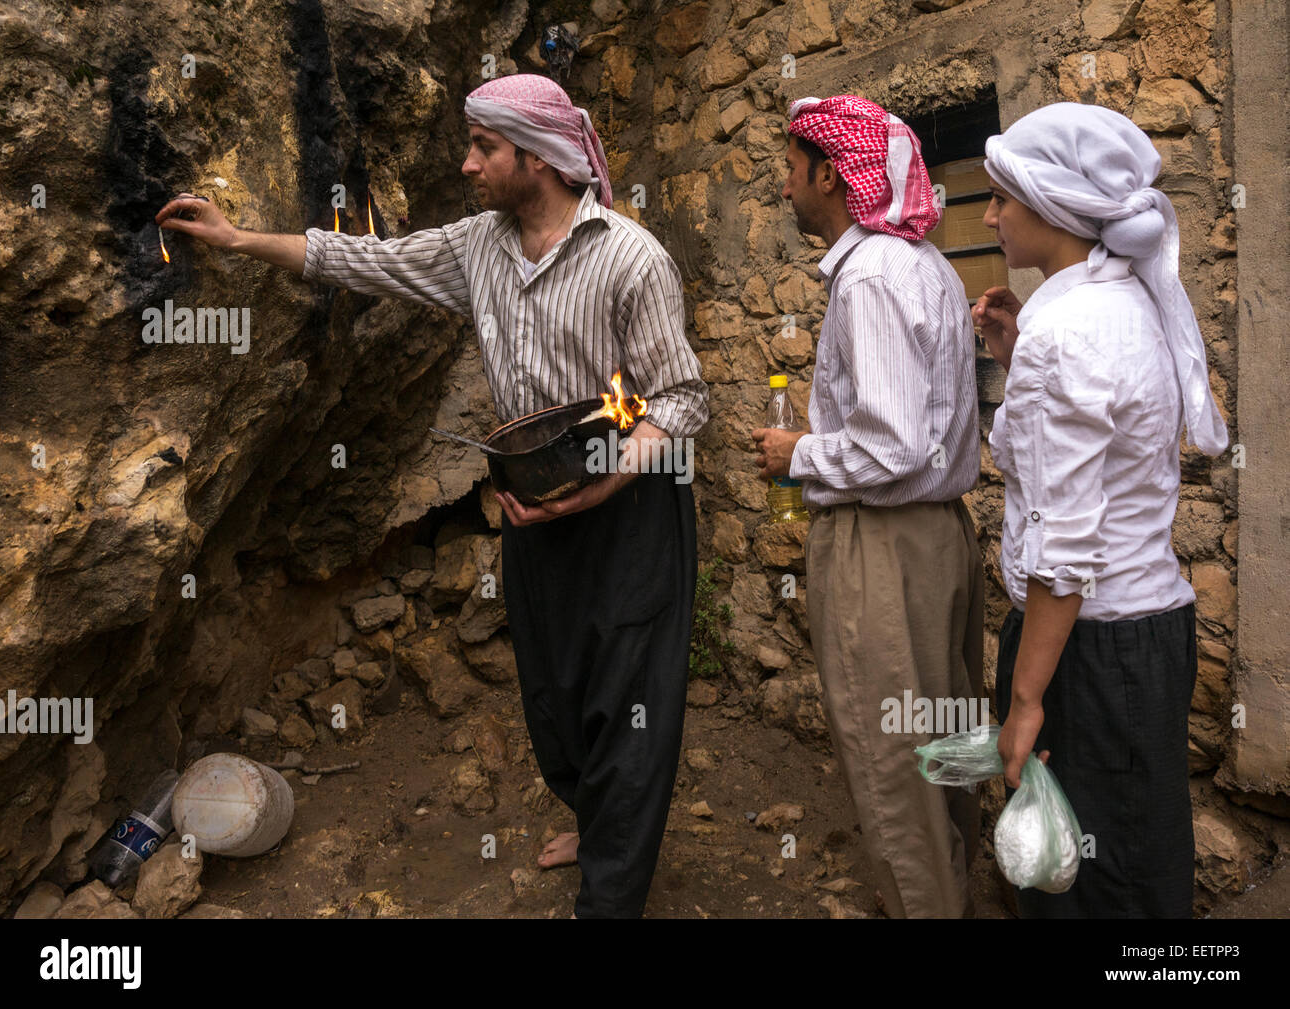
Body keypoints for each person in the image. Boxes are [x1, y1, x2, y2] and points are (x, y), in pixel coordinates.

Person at [156, 73, 709, 919]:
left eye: (484, 147)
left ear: (539, 157)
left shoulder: (631, 259)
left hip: (627, 504)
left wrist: (600, 486)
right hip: (537, 498)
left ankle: (612, 894)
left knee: (626, 704)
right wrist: (239, 242)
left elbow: (679, 400)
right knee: (555, 693)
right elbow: (363, 260)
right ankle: (599, 827)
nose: (467, 163)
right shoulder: (477, 247)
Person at [974, 101, 1228, 918]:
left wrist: (1025, 702)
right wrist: (1020, 356)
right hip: (1143, 632)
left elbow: (1066, 549)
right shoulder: (1119, 307)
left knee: (1085, 877)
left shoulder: (1069, 333)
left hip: (1089, 644)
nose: (988, 216)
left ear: (1051, 205)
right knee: (1137, 852)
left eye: (1001, 198)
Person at [752, 95, 984, 918]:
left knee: (894, 754)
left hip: (883, 548)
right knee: (949, 733)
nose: (784, 187)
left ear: (829, 172)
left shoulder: (873, 278)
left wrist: (800, 453)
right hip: (938, 537)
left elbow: (891, 449)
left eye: (789, 169)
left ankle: (930, 904)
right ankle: (958, 883)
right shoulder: (922, 264)